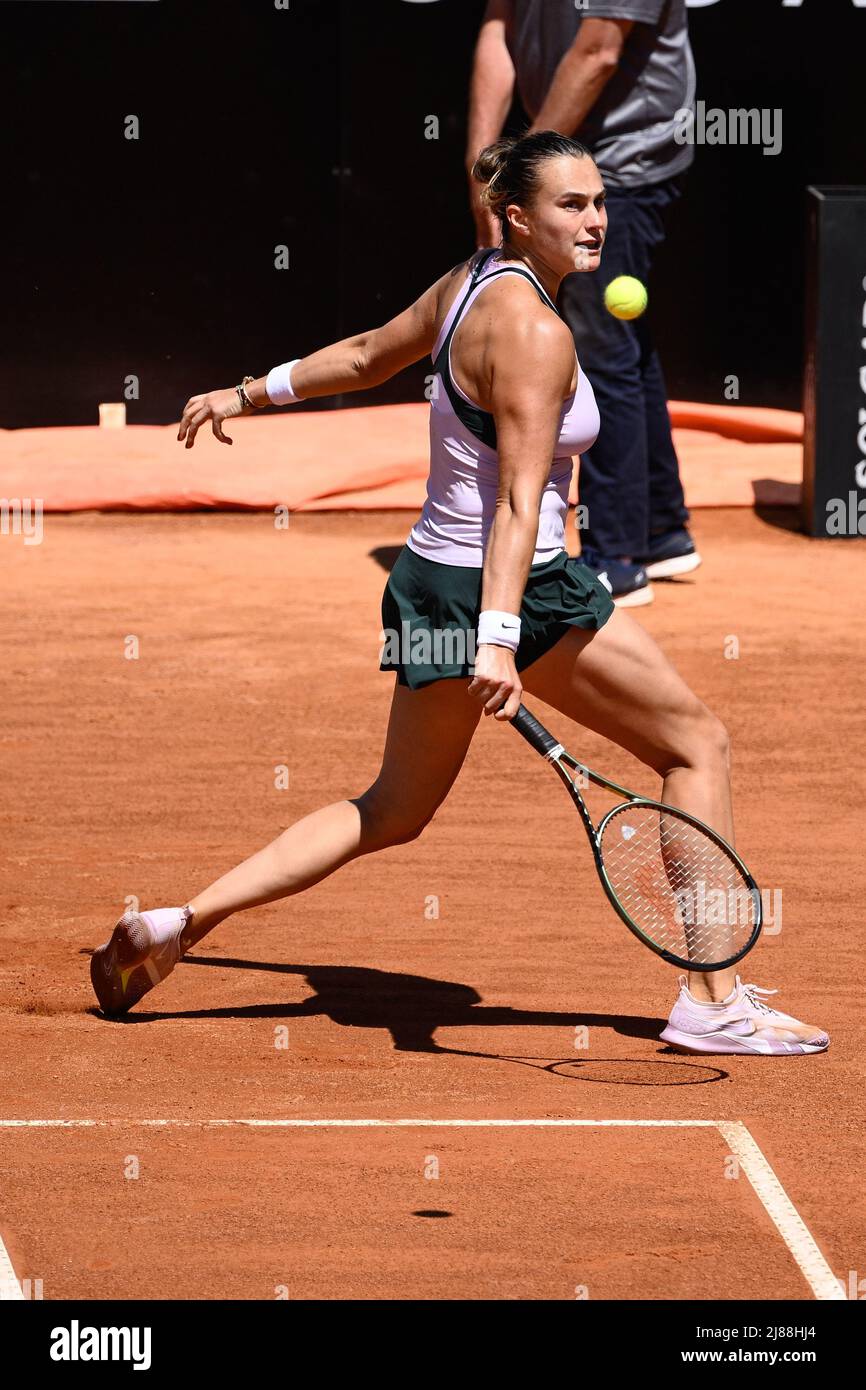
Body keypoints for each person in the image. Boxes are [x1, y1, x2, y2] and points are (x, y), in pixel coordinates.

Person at [90, 133, 827, 1057]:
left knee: (391, 809)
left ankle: (179, 922)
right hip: (514, 594)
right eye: (570, 205)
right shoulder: (538, 335)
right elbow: (520, 501)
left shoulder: (470, 282)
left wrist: (245, 394)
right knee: (697, 746)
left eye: (598, 201)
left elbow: (365, 357)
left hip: (428, 583)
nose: (594, 218)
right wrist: (500, 638)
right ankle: (712, 999)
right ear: (517, 214)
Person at [467, 0, 699, 607]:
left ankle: (617, 557)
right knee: (619, 343)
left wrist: (521, 174)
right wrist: (484, 175)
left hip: (623, 160)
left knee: (598, 347)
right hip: (558, 155)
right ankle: (658, 528)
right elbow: (499, 28)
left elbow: (599, 51)